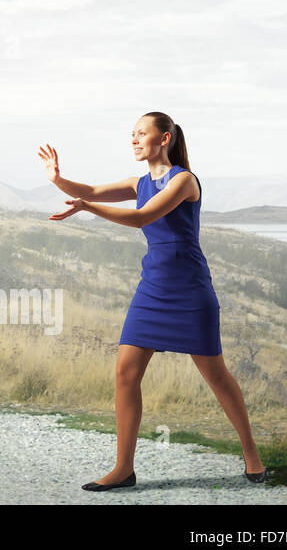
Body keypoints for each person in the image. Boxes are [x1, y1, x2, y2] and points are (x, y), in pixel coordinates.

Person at [41, 112, 267, 490]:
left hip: (191, 290)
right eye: (131, 134)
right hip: (152, 290)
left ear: (164, 139)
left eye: (141, 133)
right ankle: (123, 469)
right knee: (125, 374)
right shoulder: (139, 182)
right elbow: (93, 191)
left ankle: (252, 457)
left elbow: (143, 217)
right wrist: (57, 179)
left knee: (217, 378)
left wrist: (86, 208)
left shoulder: (184, 181)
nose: (133, 140)